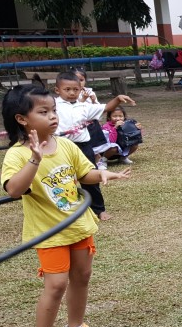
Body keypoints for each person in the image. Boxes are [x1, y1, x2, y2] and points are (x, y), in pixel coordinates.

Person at [1, 84, 131, 327]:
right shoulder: (17, 155)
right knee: (56, 285)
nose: (53, 116)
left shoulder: (67, 145)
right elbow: (13, 190)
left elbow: (85, 175)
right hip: (49, 233)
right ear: (22, 119)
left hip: (79, 226)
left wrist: (108, 175)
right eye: (43, 111)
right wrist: (35, 159)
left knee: (82, 277)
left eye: (54, 110)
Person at [53, 71, 134, 221]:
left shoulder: (84, 106)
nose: (72, 93)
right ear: (57, 90)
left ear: (80, 89)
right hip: (61, 146)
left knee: (91, 178)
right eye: (67, 89)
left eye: (75, 90)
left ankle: (99, 209)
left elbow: (105, 108)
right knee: (61, 179)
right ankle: (64, 211)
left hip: (83, 147)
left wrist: (117, 99)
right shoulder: (53, 105)